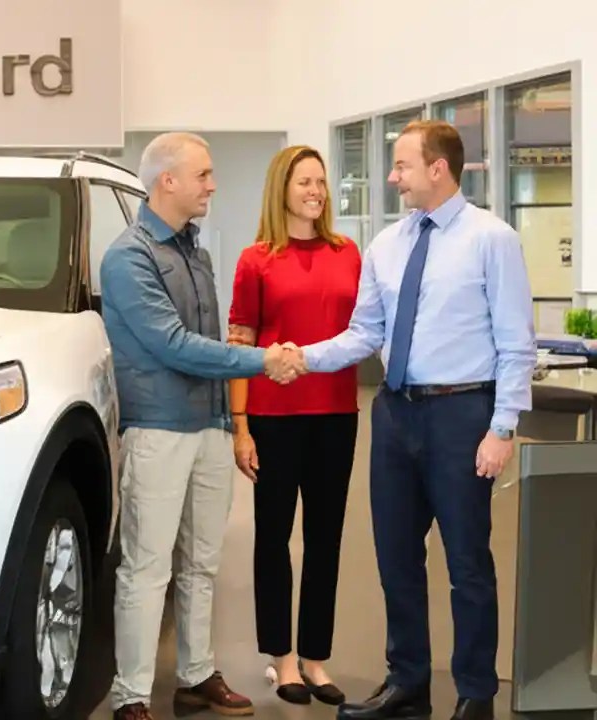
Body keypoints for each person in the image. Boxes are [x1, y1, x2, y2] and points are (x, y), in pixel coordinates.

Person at [285, 120, 536, 720]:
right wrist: (302, 358)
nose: (393, 177)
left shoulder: (491, 239)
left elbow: (516, 343)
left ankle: (476, 692)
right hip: (396, 413)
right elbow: (364, 333)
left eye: (401, 166)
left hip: (462, 413)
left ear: (437, 169)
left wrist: (502, 428)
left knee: (467, 562)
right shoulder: (387, 245)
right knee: (396, 558)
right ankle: (408, 684)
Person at [99, 131, 303, 720]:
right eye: (203, 175)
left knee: (201, 564)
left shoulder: (196, 252)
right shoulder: (129, 257)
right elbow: (174, 345)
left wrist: (233, 423)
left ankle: (195, 677)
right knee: (147, 567)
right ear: (168, 181)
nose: (212, 185)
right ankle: (131, 694)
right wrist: (263, 360)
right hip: (159, 430)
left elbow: (207, 343)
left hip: (208, 427)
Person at [226, 145, 359, 707]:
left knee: (327, 538)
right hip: (273, 418)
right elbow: (239, 344)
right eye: (305, 181)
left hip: (337, 415)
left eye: (321, 182)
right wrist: (239, 425)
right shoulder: (255, 259)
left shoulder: (348, 253)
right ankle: (281, 658)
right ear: (281, 188)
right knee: (274, 538)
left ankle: (315, 658)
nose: (315, 191)